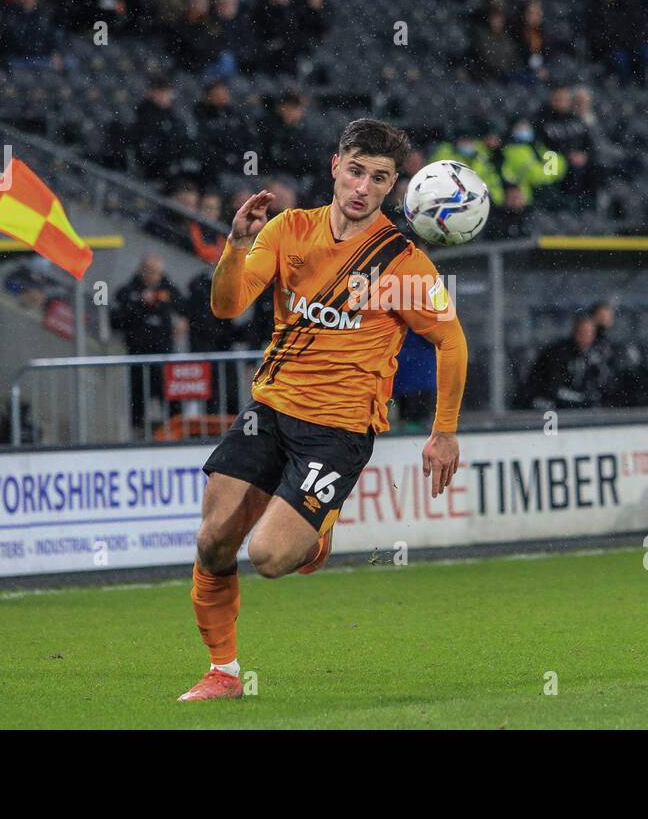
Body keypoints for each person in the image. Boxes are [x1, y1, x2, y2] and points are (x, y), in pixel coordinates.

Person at [180, 119, 467, 701]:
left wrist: (444, 433)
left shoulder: (403, 263)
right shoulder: (289, 228)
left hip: (336, 431)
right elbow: (229, 304)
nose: (363, 187)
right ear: (336, 166)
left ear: (391, 187)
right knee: (213, 539)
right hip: (270, 407)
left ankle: (318, 532)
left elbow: (452, 342)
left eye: (379, 178)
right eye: (356, 171)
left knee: (268, 556)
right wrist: (236, 246)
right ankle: (224, 673)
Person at [110, 255, 189, 434]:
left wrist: (183, 320)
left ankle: (177, 433)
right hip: (138, 355)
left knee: (170, 398)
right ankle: (137, 433)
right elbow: (115, 320)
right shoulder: (127, 291)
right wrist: (139, 304)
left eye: (157, 273)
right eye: (151, 272)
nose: (154, 277)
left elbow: (184, 306)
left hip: (164, 355)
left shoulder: (168, 289)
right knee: (138, 398)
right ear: (141, 271)